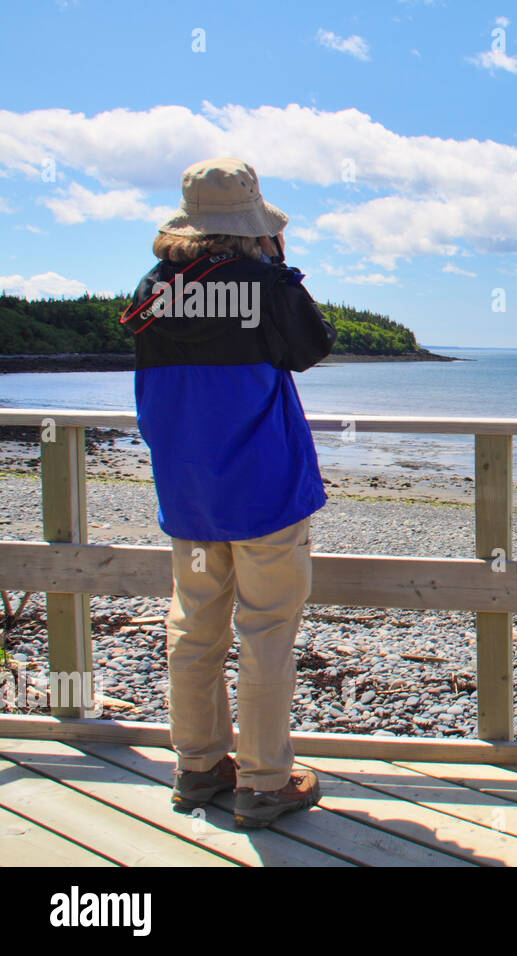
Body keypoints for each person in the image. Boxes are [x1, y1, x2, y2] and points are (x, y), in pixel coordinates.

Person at [120, 157, 337, 828]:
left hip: (188, 490)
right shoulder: (267, 284)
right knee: (266, 631)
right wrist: (276, 265)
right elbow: (311, 347)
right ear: (253, 225)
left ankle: (198, 766)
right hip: (264, 488)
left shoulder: (153, 289)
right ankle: (266, 782)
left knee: (194, 627)